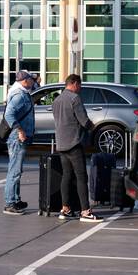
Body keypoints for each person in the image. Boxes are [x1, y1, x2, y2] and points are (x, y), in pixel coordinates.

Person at [51, 73, 103, 223]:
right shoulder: (75, 99)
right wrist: (93, 127)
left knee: (66, 176)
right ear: (74, 84)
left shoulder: (57, 100)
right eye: (79, 85)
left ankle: (65, 209)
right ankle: (85, 211)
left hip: (61, 143)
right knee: (81, 177)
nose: (80, 88)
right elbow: (83, 120)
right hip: (74, 143)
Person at [3, 70, 36, 216]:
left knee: (17, 170)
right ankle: (10, 203)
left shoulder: (22, 91)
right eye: (31, 79)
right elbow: (8, 114)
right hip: (17, 138)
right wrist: (20, 130)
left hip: (18, 137)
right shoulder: (19, 95)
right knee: (14, 171)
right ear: (25, 81)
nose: (33, 82)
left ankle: (16, 200)